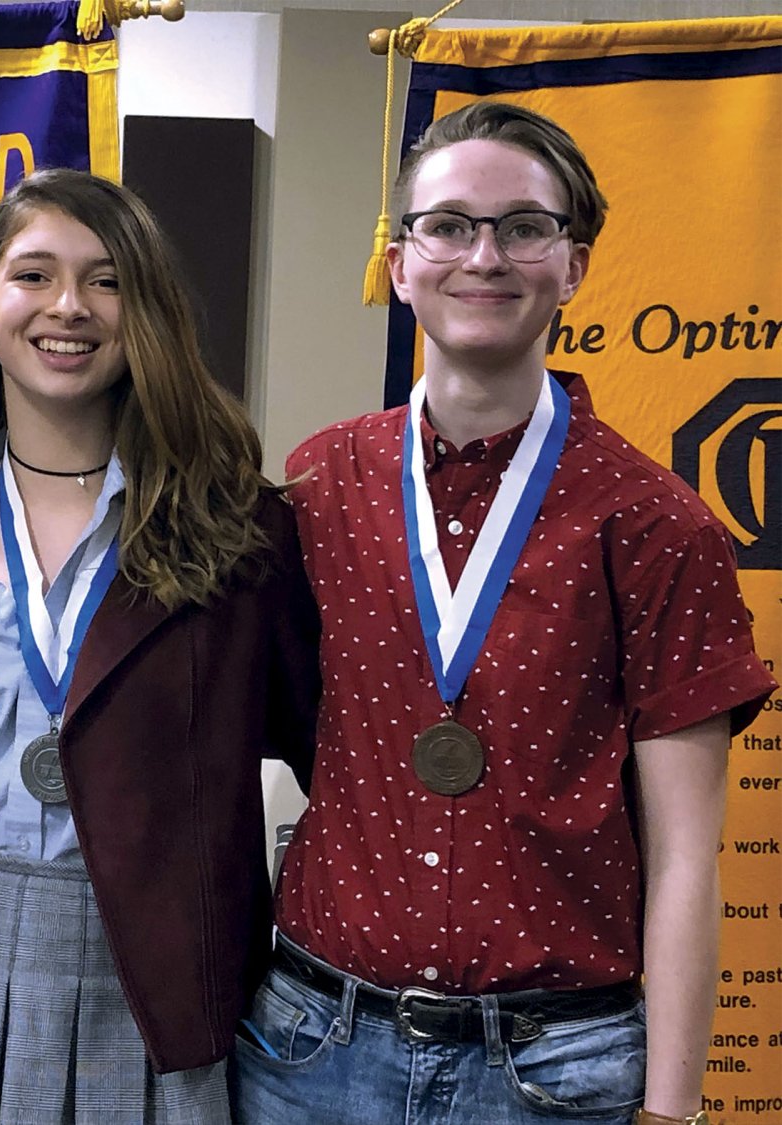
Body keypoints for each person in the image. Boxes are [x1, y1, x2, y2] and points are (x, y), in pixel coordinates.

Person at [234, 102, 776, 1125]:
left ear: (573, 266)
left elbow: (685, 859)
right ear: (401, 265)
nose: (484, 255)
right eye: (448, 226)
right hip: (312, 1048)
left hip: (552, 1074)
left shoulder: (659, 525)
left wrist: (673, 1110)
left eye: (524, 227)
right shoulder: (322, 482)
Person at [0, 168, 320, 1123]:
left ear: (149, 314)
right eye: (34, 275)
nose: (69, 307)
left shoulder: (238, 539)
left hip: (162, 998)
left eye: (107, 280)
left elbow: (335, 762)